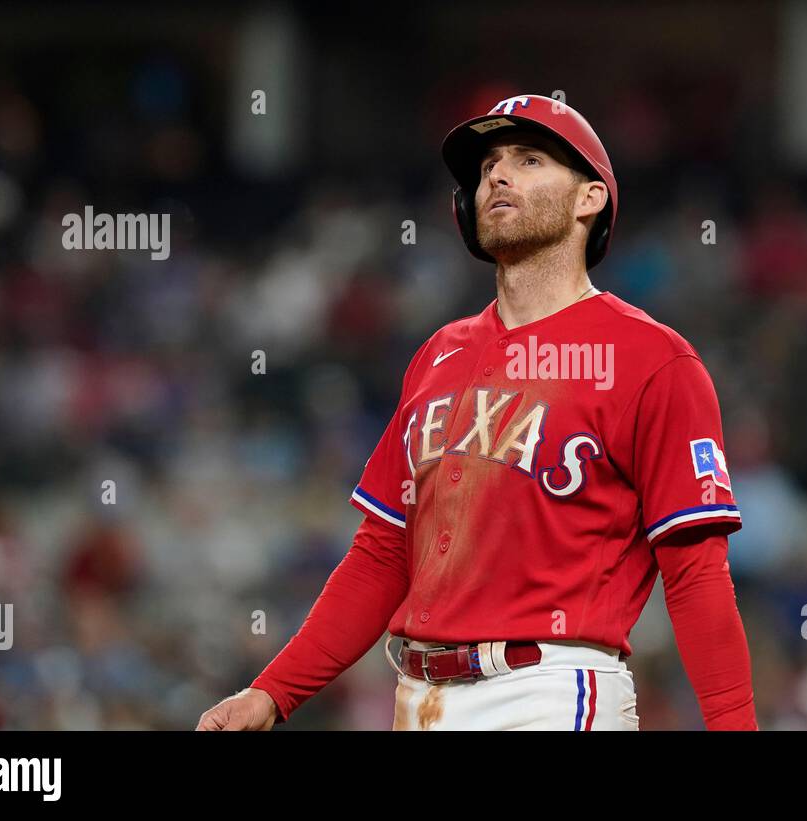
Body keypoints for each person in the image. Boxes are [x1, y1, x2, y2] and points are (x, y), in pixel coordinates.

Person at [197, 94, 756, 730]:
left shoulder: (651, 359)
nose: (497, 174)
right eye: (488, 164)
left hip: (550, 691)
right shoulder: (439, 355)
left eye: (529, 158)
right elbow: (384, 554)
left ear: (589, 198)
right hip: (417, 697)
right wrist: (272, 693)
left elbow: (696, 575)